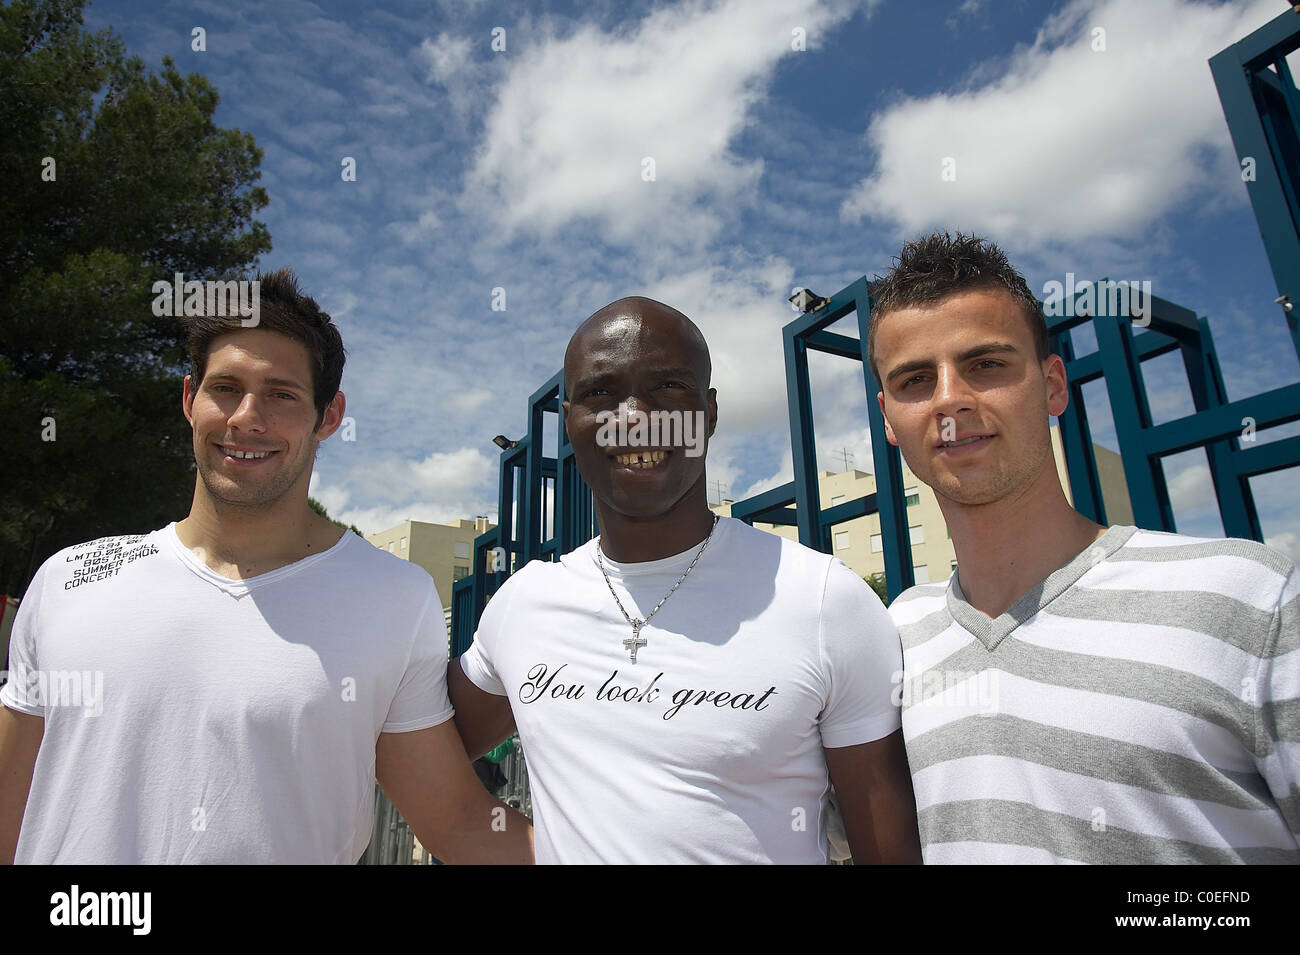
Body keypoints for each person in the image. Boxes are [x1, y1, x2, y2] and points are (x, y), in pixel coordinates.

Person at [0, 269, 532, 864]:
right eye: (225, 387)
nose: (246, 418)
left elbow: (460, 825)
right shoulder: (70, 579)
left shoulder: (392, 599)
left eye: (281, 394)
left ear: (328, 416)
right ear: (188, 400)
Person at [869, 231, 1299, 864]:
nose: (950, 399)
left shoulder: (1251, 599)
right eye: (914, 379)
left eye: (987, 364)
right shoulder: (892, 636)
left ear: (1052, 387)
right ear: (888, 420)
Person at [448, 296, 920, 864]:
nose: (634, 417)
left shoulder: (824, 602)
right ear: (571, 420)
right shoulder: (524, 605)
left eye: (669, 387)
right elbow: (413, 749)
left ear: (710, 412)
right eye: (599, 393)